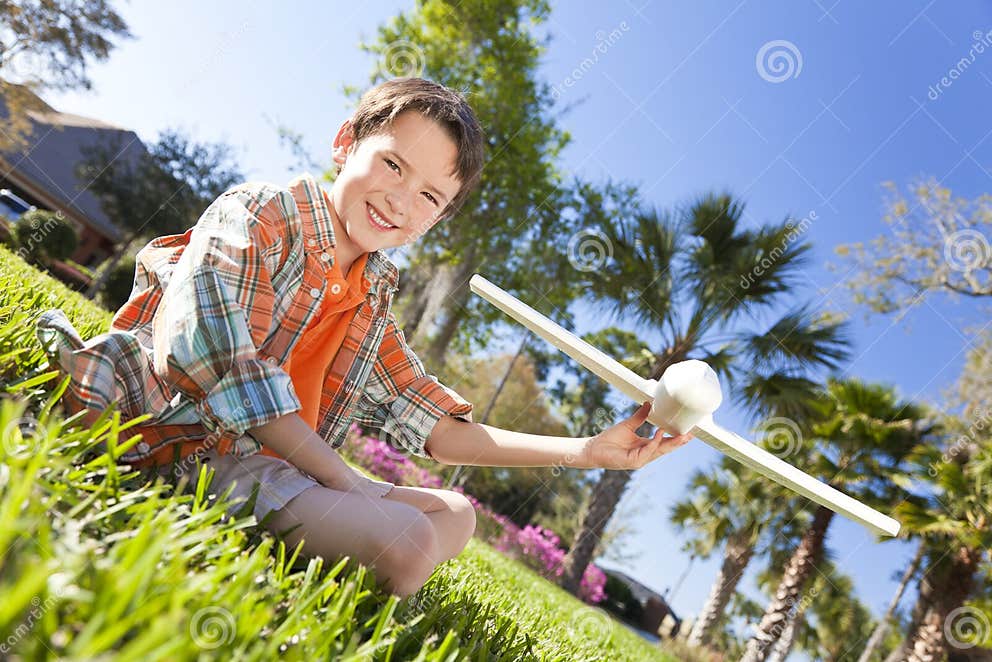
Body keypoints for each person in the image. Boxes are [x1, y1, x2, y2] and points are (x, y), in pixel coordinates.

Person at [35, 77, 693, 598]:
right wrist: (347, 484)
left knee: (457, 516)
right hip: (176, 442)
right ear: (346, 142)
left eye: (432, 197)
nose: (402, 202)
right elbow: (216, 362)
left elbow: (435, 425)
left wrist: (587, 451)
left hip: (271, 468)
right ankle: (334, 534)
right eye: (394, 166)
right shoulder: (265, 210)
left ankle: (326, 527)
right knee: (406, 546)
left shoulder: (371, 295)